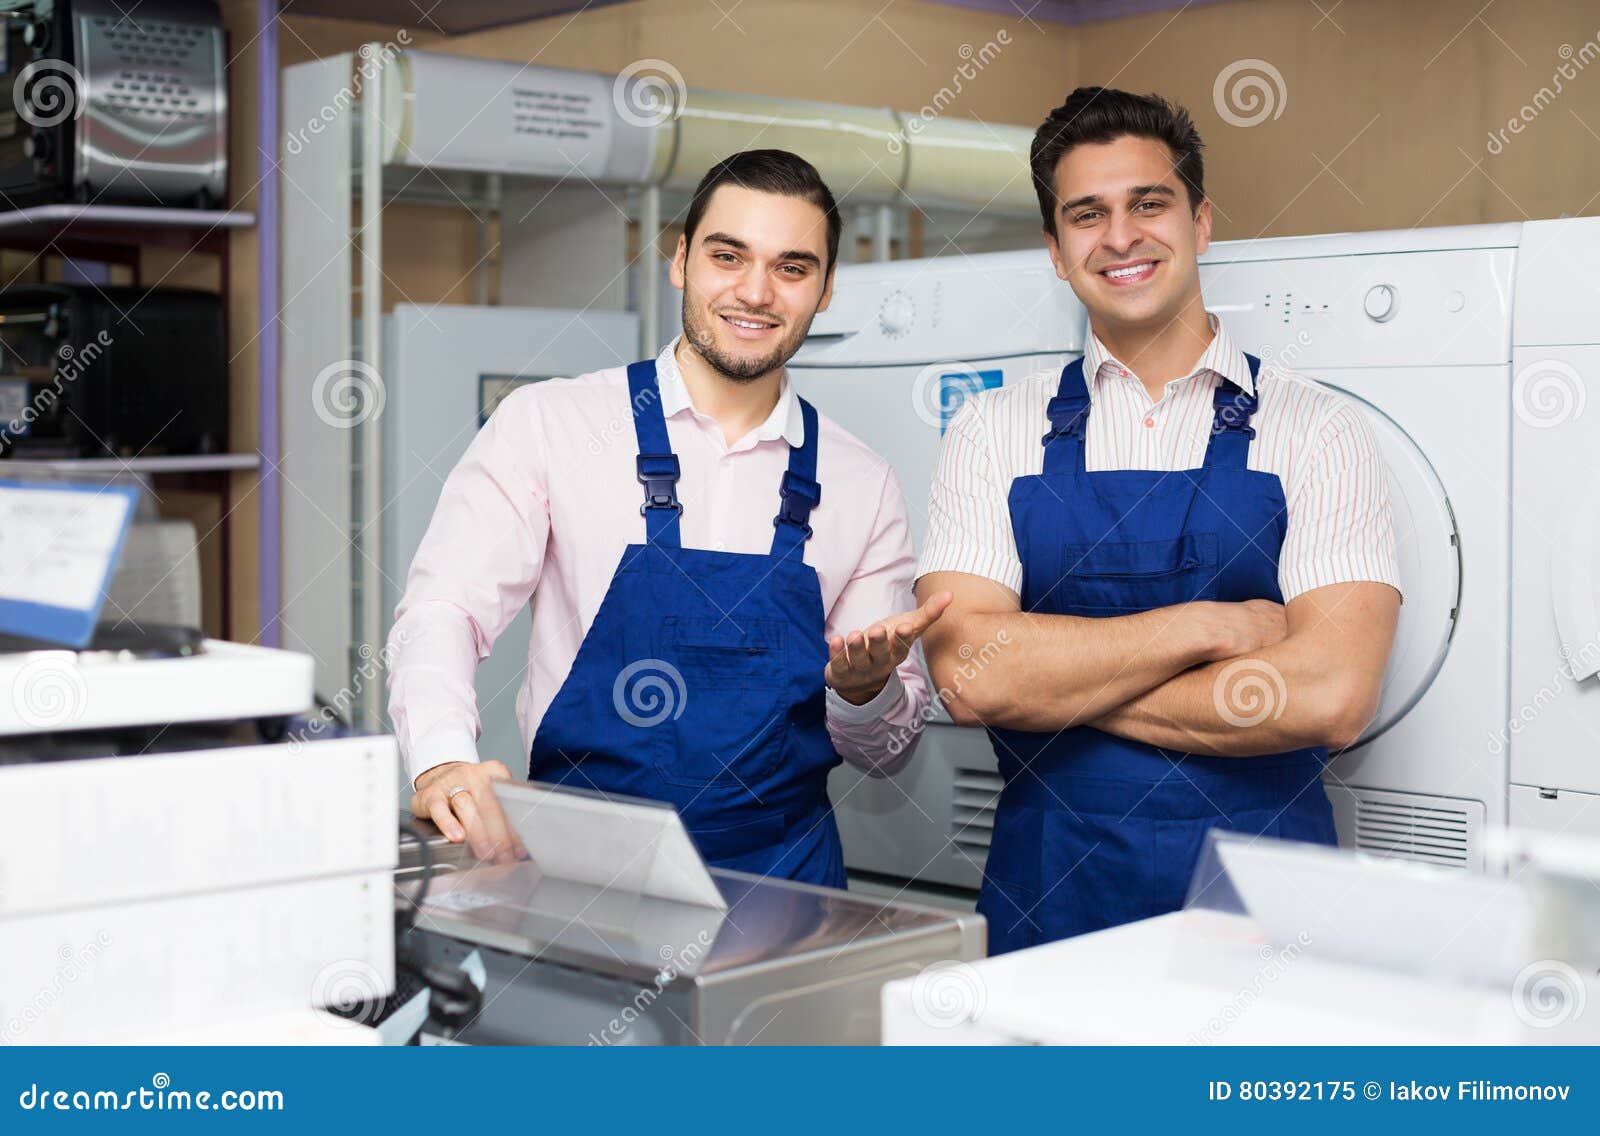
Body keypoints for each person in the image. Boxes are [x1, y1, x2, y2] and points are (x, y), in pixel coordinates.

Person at [917, 88, 1401, 953]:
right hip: (1050, 893)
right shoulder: (991, 430)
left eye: (1149, 203)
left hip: (1263, 908)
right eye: (1087, 214)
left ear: (1200, 222)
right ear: (1056, 250)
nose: (1121, 237)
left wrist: (1058, 687)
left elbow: (1332, 696)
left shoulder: (1318, 428)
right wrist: (1205, 627)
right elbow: (972, 676)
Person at [388, 149, 950, 888]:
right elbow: (445, 610)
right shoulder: (550, 424)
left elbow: (884, 756)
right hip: (584, 873)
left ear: (826, 288)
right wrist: (441, 758)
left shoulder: (862, 482)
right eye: (728, 256)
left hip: (786, 883)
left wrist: (865, 692)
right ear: (681, 260)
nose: (756, 292)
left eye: (792, 267)